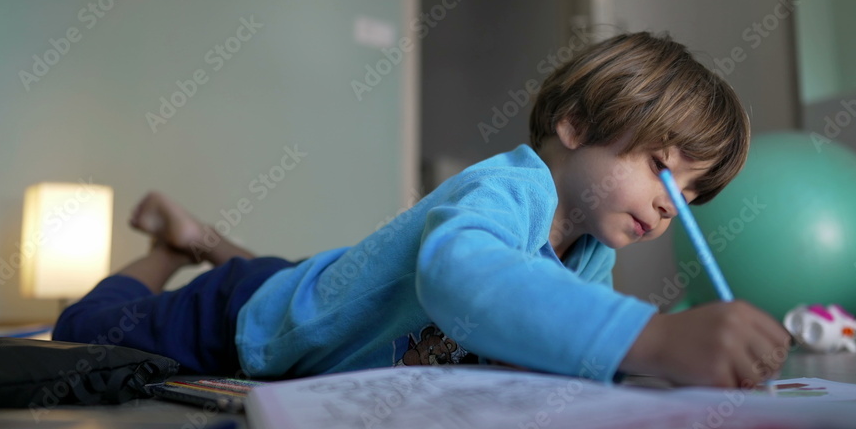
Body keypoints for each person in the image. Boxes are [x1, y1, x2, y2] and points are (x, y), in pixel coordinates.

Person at [54, 32, 791, 388]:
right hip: (242, 315)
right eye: (663, 167)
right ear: (574, 125)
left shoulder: (592, 247)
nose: (671, 204)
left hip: (327, 289)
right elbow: (461, 280)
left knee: (307, 280)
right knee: (84, 329)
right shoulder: (507, 188)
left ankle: (210, 240)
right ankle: (169, 249)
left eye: (692, 195)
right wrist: (651, 338)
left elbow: (556, 348)